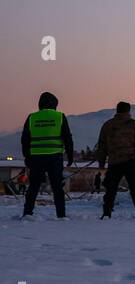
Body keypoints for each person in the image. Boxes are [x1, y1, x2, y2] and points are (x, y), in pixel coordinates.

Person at [20, 91, 74, 219]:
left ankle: (27, 213)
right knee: (57, 187)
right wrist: (70, 155)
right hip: (54, 157)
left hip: (36, 157)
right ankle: (61, 215)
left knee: (33, 186)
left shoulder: (32, 117)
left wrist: (27, 157)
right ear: (55, 104)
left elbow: (25, 139)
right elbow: (67, 137)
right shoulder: (59, 116)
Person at [95, 101, 135, 219]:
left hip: (114, 162)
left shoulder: (108, 125)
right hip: (131, 161)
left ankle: (106, 213)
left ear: (117, 110)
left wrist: (101, 163)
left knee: (111, 189)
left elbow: (102, 146)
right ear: (129, 111)